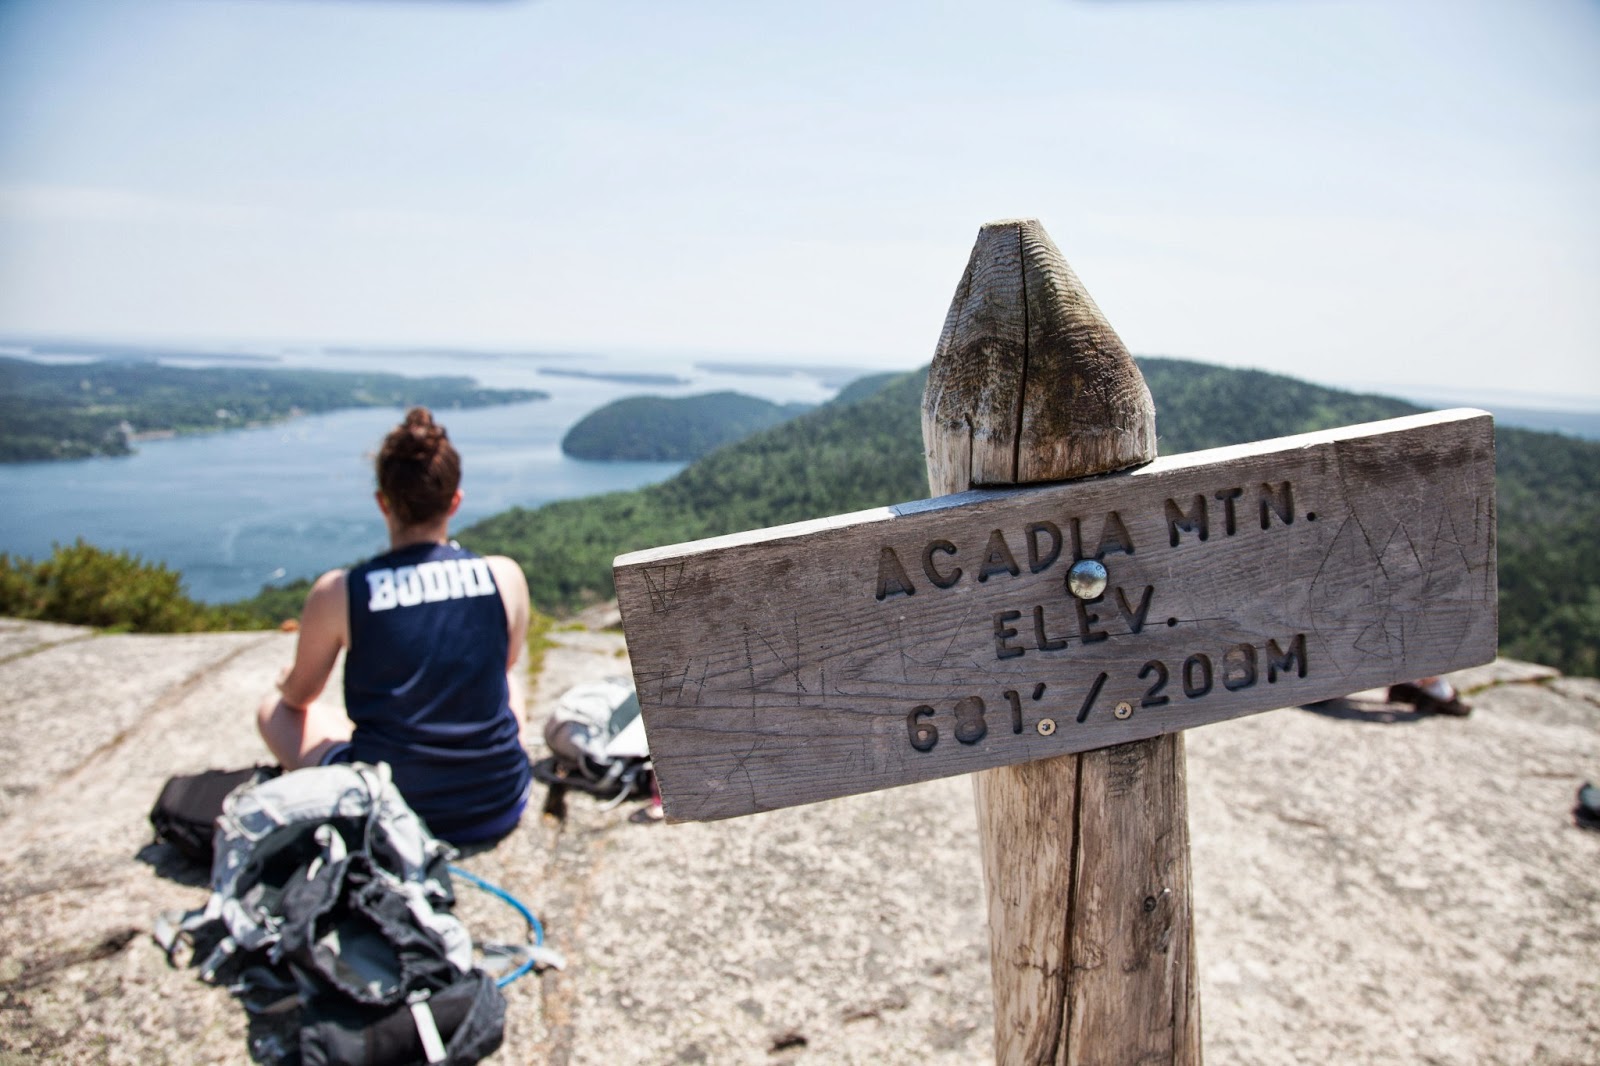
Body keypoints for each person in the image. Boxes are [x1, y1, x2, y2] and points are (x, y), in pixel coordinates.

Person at [257, 407, 533, 846]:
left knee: (273, 711)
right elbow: (504, 664)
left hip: (390, 814)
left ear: (382, 502)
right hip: (499, 804)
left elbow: (298, 695)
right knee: (507, 679)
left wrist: (284, 685)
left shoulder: (341, 591)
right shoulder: (504, 575)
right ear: (454, 502)